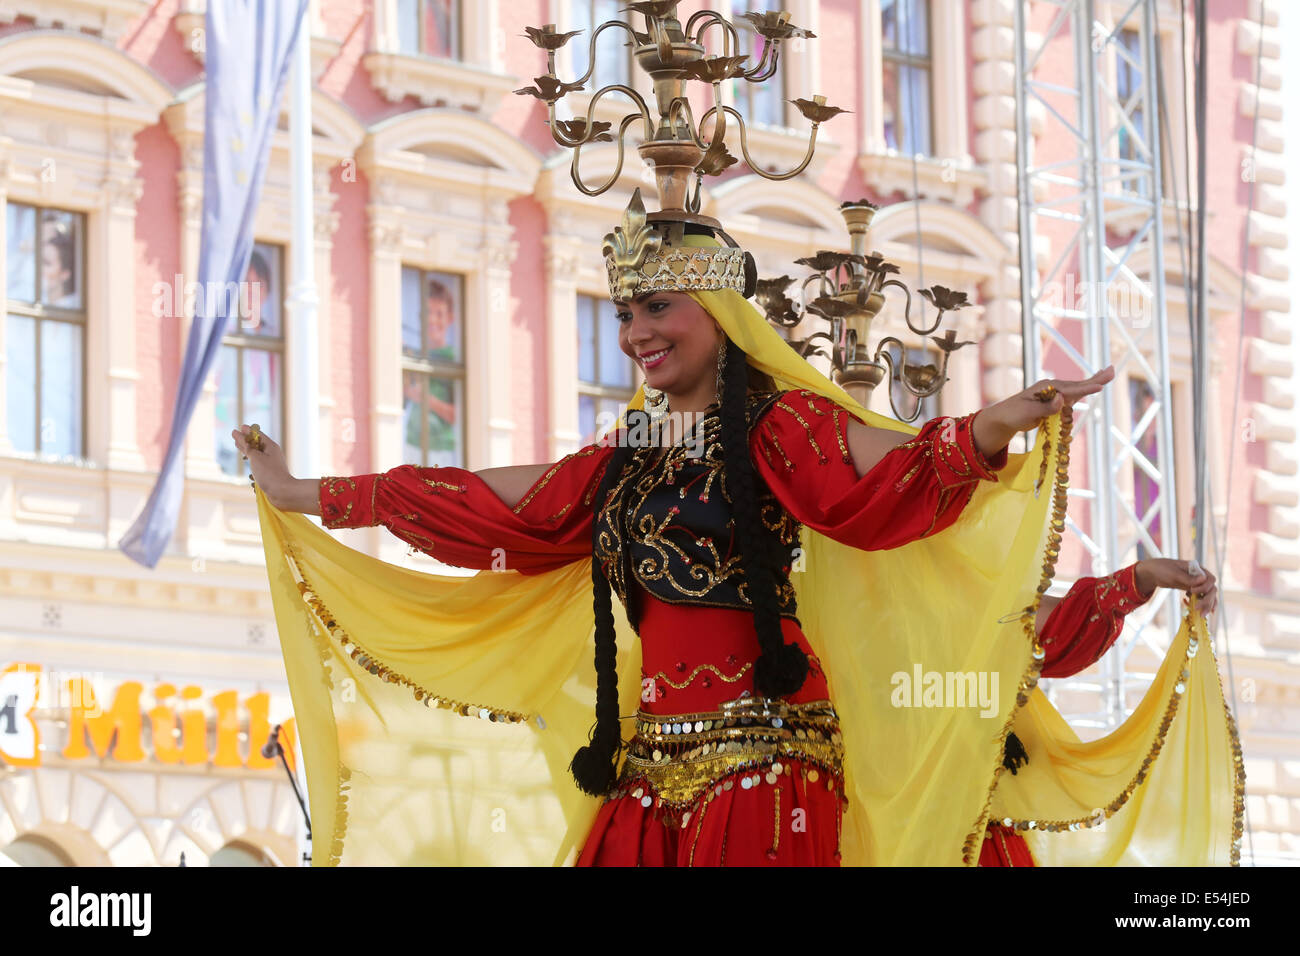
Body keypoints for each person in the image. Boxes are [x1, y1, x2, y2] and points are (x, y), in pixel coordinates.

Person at [234, 192, 1239, 867]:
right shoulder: (636, 446)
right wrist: (310, 492)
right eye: (624, 312)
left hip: (771, 774)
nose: (635, 333)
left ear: (717, 309)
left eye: (657, 305)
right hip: (652, 773)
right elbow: (507, 505)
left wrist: (990, 426)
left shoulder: (783, 423)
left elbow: (879, 488)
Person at [980, 558, 1219, 866]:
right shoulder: (910, 589)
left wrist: (1141, 577)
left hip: (983, 824)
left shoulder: (969, 597)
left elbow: (1057, 626)